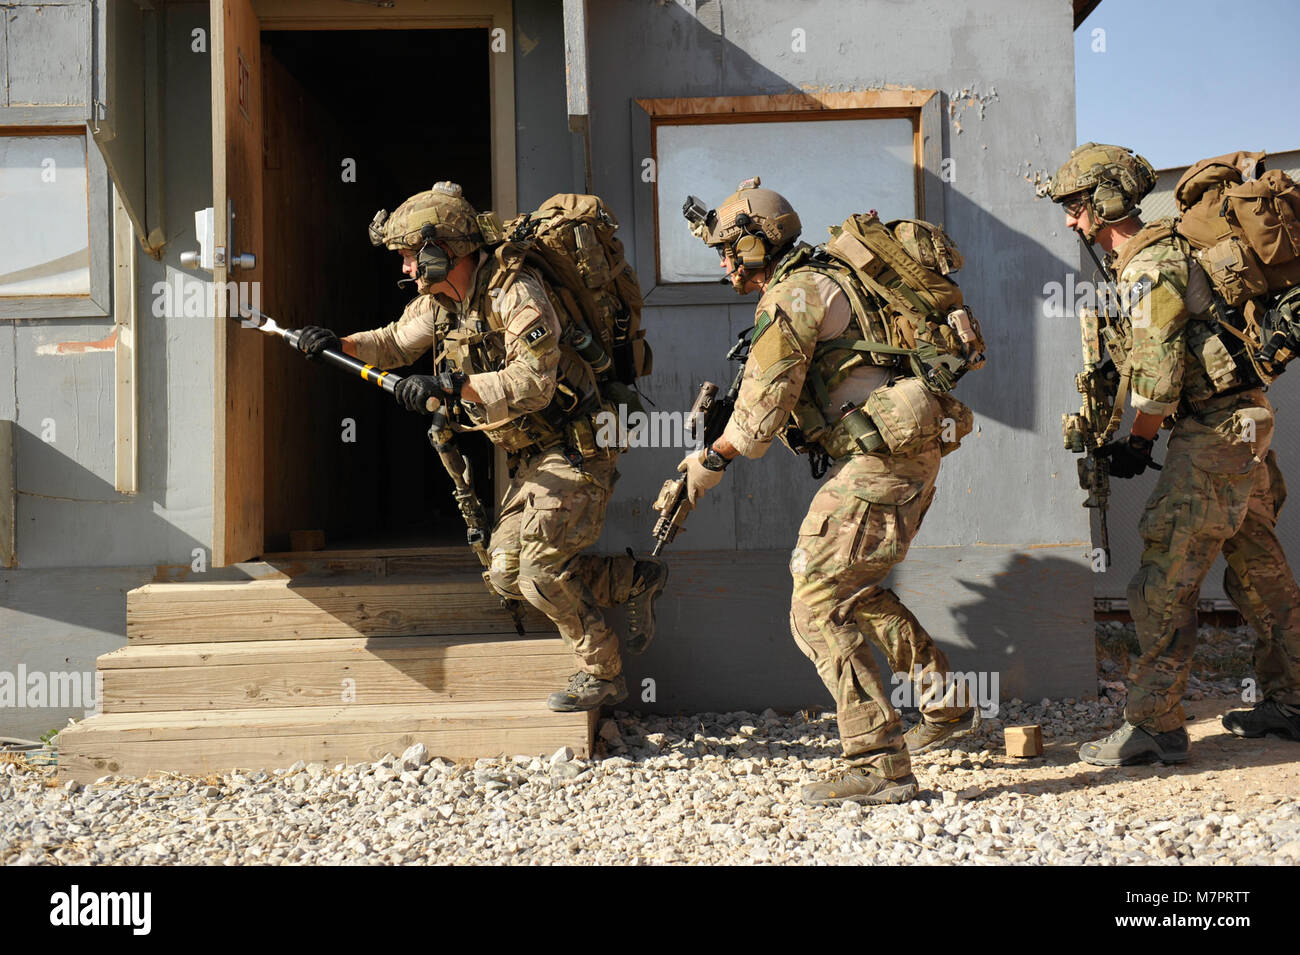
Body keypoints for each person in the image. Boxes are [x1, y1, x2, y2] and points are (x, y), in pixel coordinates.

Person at [295, 182, 667, 711]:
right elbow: (397, 343)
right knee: (506, 575)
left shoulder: (517, 291)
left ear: (439, 250)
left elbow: (536, 382)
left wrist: (451, 388)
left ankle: (603, 672)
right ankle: (632, 579)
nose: (404, 270)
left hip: (579, 445)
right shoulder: (443, 303)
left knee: (539, 572)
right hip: (534, 454)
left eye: (407, 257)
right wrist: (339, 344)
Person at [677, 177, 981, 805]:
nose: (726, 263)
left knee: (814, 603)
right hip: (905, 453)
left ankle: (878, 762)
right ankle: (946, 706)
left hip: (879, 463)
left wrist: (706, 462)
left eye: (731, 249)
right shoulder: (833, 275)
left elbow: (759, 419)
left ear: (762, 243)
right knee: (856, 586)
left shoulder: (792, 295)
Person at [1041, 143, 1300, 765]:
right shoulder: (1176, 248)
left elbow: (1156, 376)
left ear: (1104, 201)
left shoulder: (1146, 264)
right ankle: (1292, 704)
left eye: (1077, 207)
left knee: (1163, 578)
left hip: (1212, 435)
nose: (1073, 221)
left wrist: (1138, 439)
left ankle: (1155, 725)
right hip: (1246, 425)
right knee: (1261, 570)